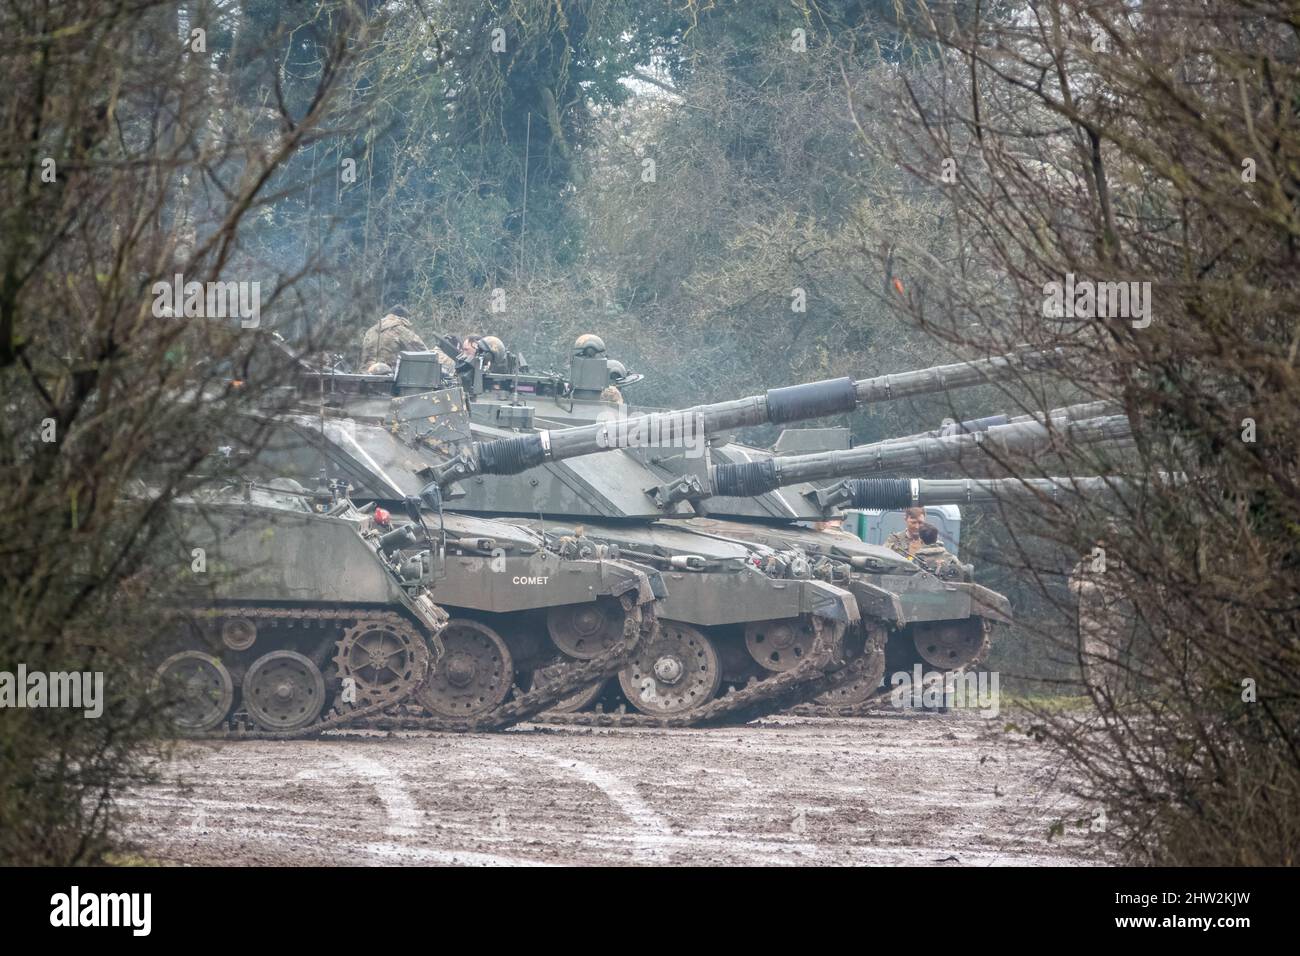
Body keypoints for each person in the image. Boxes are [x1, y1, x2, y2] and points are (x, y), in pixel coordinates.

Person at [359, 306, 429, 368]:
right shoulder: (400, 330)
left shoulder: (370, 330)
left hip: (364, 375)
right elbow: (423, 352)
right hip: (389, 376)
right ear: (404, 319)